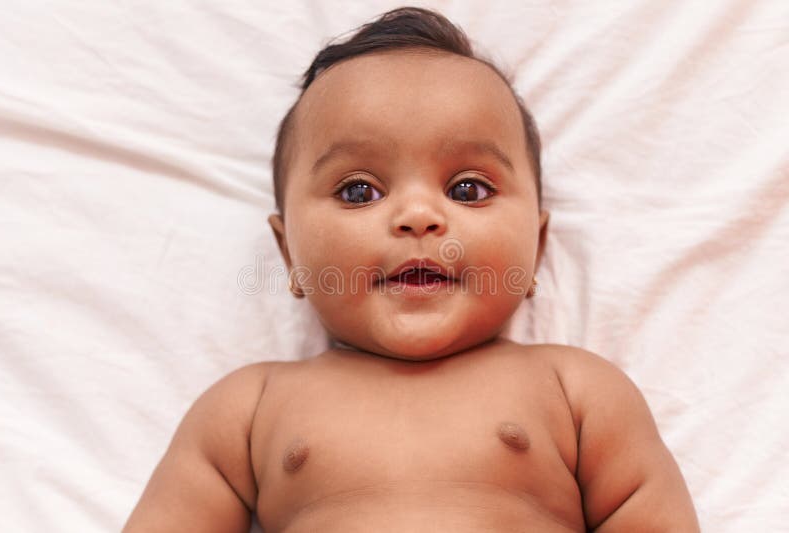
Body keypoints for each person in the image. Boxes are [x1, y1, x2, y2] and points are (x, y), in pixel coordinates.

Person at [124, 7, 699, 532]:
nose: (418, 217)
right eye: (358, 191)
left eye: (467, 189)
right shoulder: (248, 408)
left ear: (537, 248)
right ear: (290, 257)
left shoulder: (576, 392)